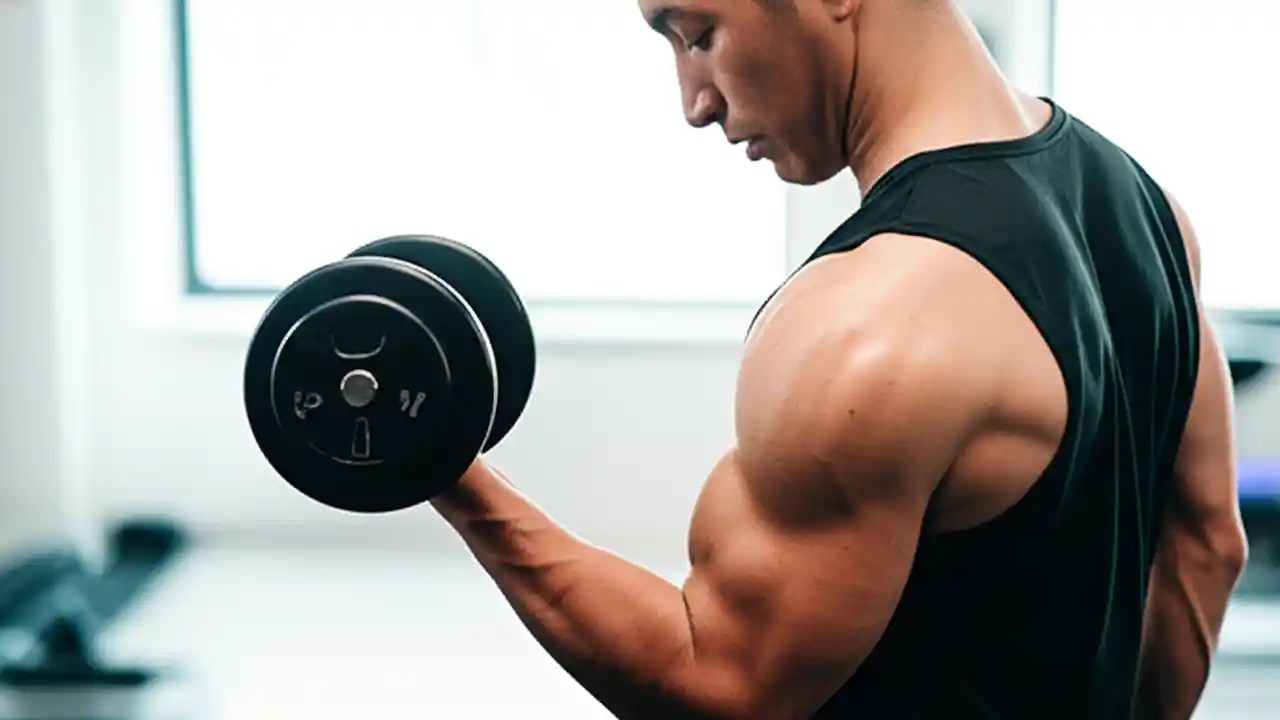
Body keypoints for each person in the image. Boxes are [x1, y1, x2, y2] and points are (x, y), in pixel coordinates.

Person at [430, 0, 1250, 717]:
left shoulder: (870, 324)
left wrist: (446, 471)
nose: (694, 101)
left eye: (697, 33)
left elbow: (718, 682)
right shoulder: (1148, 211)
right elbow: (1207, 549)